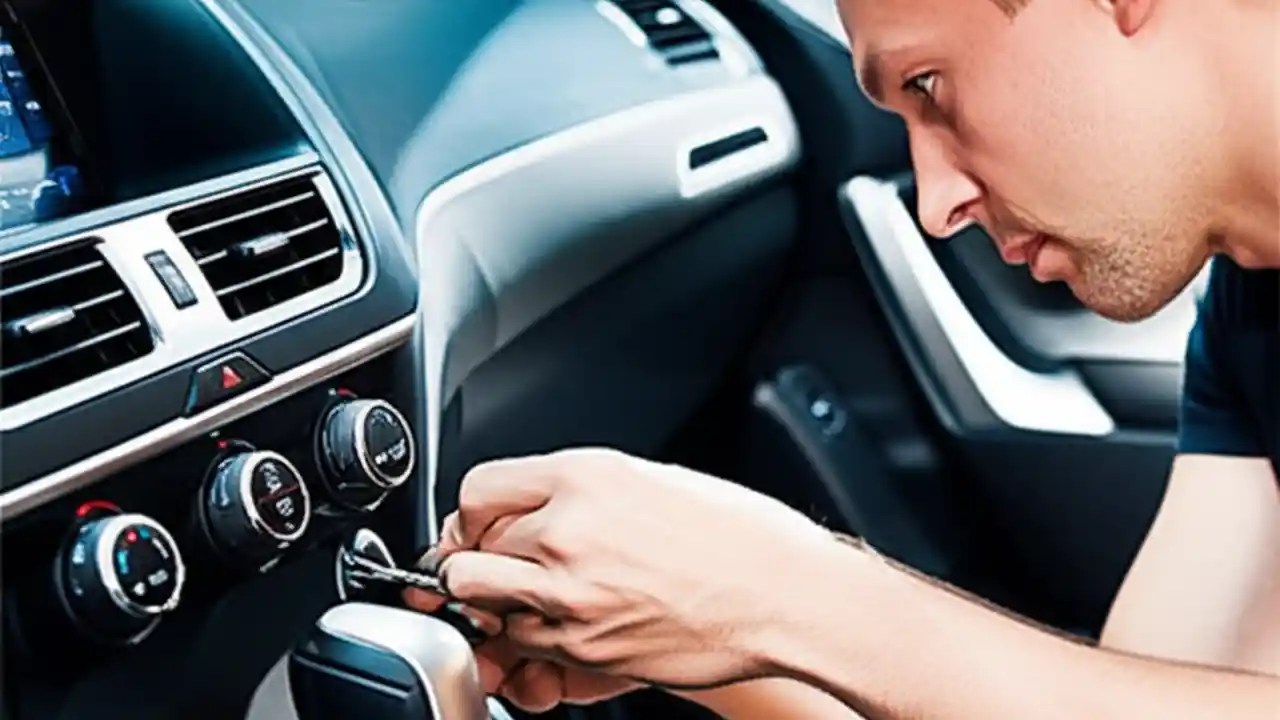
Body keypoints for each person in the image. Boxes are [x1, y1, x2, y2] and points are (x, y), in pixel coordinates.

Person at [406, 0, 1280, 716]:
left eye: (929, 85)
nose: (938, 204)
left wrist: (792, 592)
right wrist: (703, 620)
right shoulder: (1250, 303)